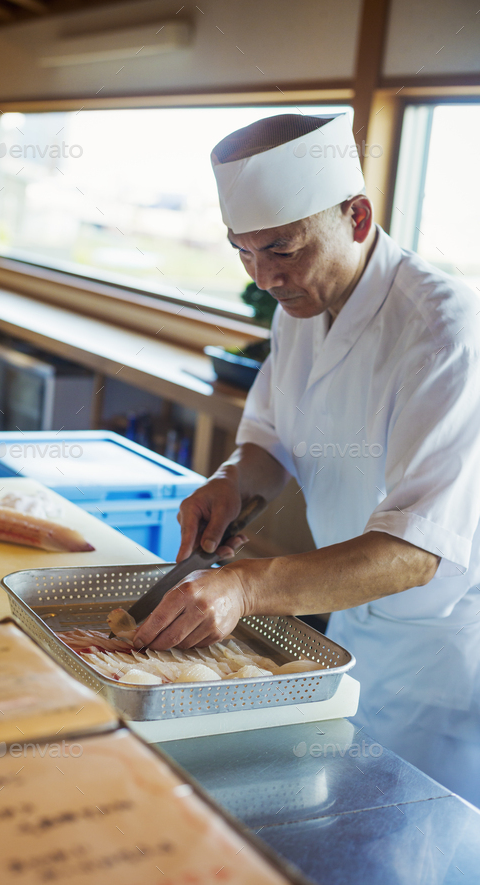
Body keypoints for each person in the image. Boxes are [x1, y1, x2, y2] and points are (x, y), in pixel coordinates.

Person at [133, 112, 480, 807]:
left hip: (437, 653)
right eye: (243, 252)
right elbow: (270, 439)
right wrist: (232, 482)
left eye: (282, 250)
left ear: (356, 216)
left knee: (409, 837)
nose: (264, 276)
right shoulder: (298, 307)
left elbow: (419, 551)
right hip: (347, 619)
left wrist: (245, 587)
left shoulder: (444, 331)